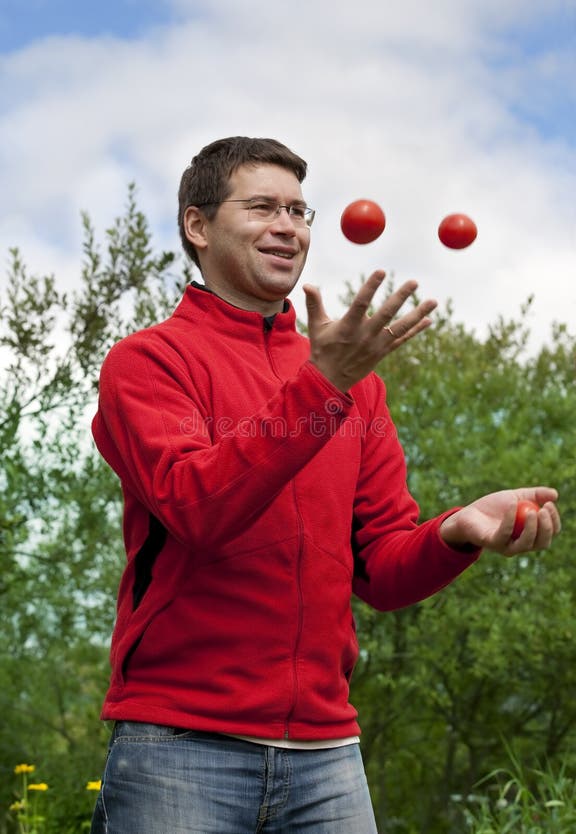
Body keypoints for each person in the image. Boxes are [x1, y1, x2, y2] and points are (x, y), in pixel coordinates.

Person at [89, 136, 561, 834]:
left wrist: (456, 531)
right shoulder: (149, 363)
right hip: (179, 748)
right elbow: (199, 509)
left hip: (327, 756)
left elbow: (381, 569)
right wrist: (323, 386)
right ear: (198, 225)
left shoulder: (352, 388)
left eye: (300, 210)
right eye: (262, 207)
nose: (289, 225)